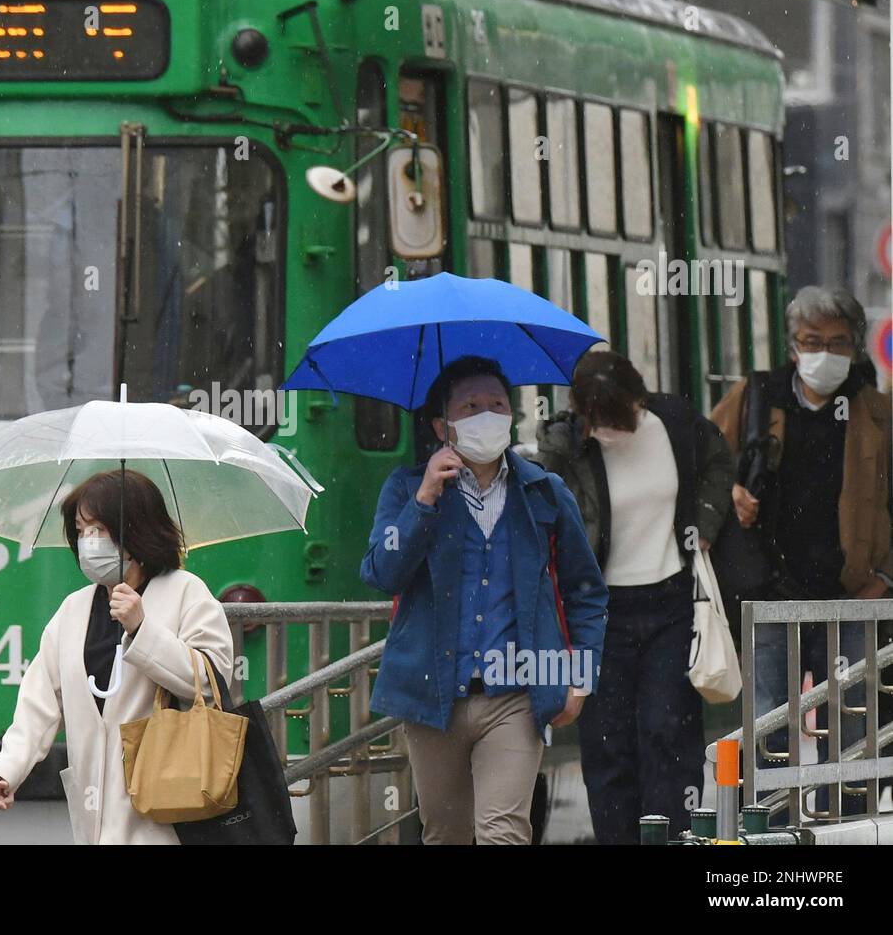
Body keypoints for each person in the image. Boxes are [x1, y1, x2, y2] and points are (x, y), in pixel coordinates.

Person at [362, 355, 608, 844]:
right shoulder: (407, 488)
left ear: (512, 416)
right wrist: (425, 500)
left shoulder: (545, 491)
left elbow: (586, 592)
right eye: (469, 406)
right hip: (433, 695)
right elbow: (381, 573)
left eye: (496, 404)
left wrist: (579, 679)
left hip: (516, 693)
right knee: (445, 833)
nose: (485, 415)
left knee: (503, 833)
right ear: (442, 426)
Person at [536, 351, 733, 843]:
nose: (604, 429)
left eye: (614, 417)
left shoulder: (674, 421)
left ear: (638, 399)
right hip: (601, 613)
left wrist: (703, 526)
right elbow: (545, 515)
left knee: (668, 732)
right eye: (593, 418)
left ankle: (670, 836)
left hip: (670, 603)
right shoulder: (567, 446)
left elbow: (719, 461)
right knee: (607, 745)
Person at [710, 285, 892, 818]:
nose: (824, 354)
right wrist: (731, 495)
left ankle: (847, 827)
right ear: (792, 346)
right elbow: (704, 465)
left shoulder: (876, 413)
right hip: (771, 598)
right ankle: (776, 834)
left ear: (855, 348)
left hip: (852, 600)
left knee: (856, 733)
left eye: (838, 343)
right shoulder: (757, 398)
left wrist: (883, 579)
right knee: (770, 728)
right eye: (812, 341)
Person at [0, 469, 233, 843]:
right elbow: (40, 700)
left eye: (98, 529)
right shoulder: (74, 609)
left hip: (166, 812)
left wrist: (142, 630)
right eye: (81, 532)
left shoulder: (185, 592)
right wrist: (8, 769)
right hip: (94, 817)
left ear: (134, 530)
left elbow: (211, 682)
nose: (88, 542)